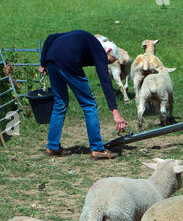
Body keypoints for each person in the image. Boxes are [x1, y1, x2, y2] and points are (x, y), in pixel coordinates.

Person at [38, 29, 128, 159]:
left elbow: (50, 37)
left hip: (51, 59)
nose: (106, 64)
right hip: (67, 61)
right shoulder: (99, 50)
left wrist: (43, 63)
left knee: (60, 103)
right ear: (108, 51)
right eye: (108, 61)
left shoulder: (85, 39)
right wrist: (115, 111)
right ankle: (97, 149)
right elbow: (105, 81)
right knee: (89, 105)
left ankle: (52, 146)